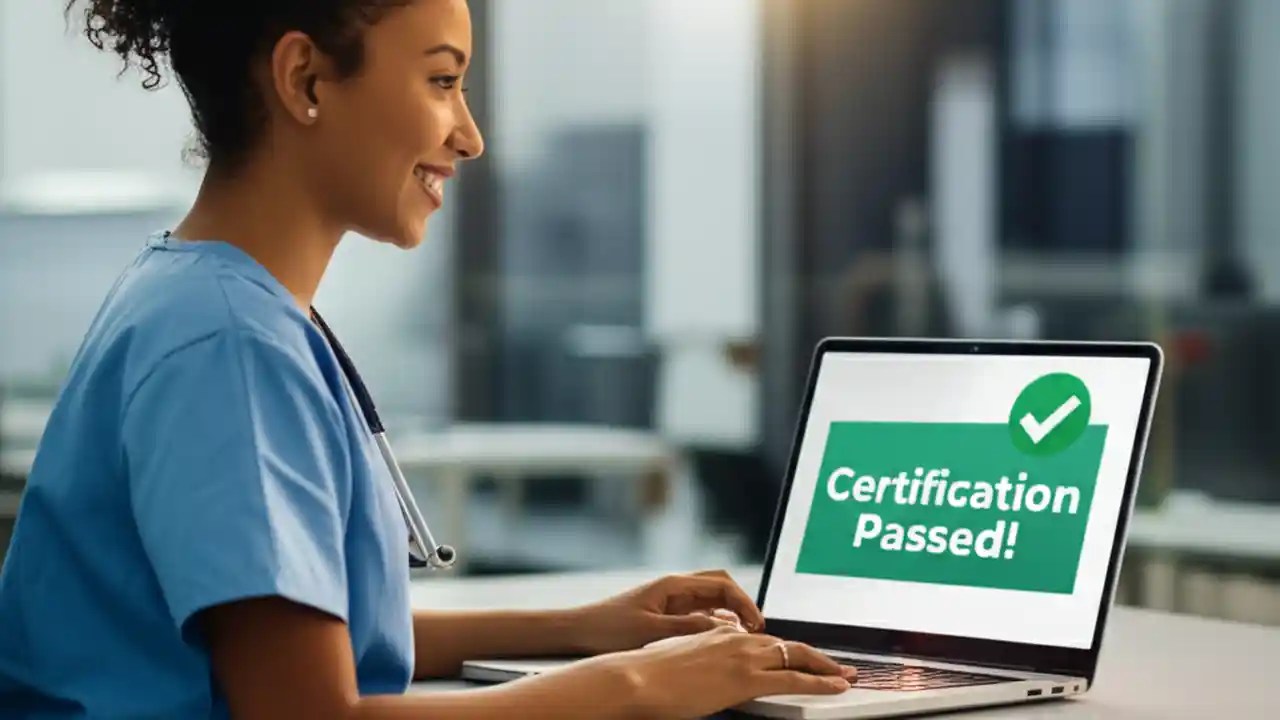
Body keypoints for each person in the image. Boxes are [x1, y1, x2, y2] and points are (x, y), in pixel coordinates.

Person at [0, 1, 856, 717]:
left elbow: (316, 639)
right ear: (304, 81)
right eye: (442, 81)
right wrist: (635, 687)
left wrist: (592, 626)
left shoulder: (202, 297)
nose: (472, 136)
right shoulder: (229, 343)